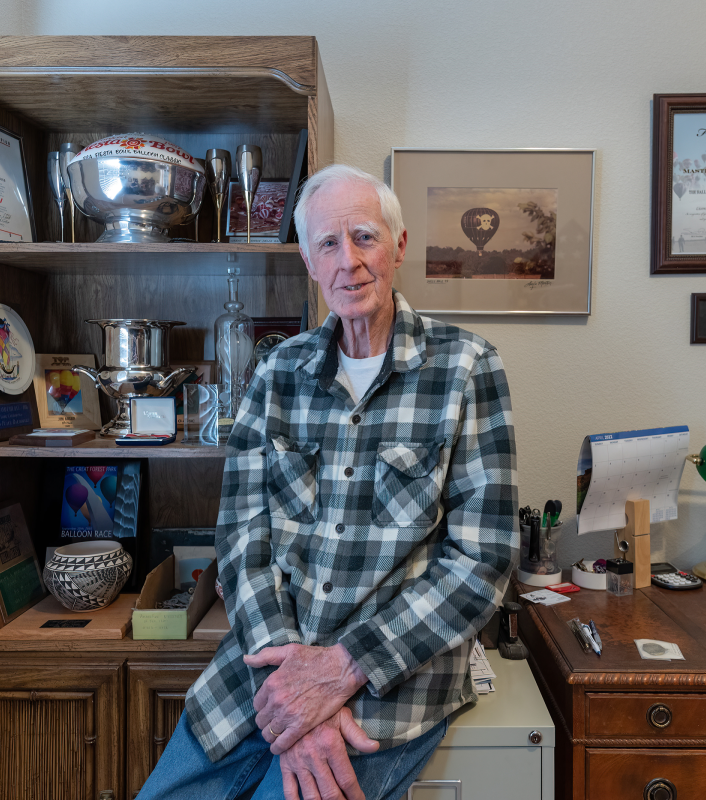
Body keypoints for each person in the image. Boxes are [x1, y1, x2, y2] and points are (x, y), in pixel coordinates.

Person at [138, 165, 519, 800]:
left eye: (365, 237)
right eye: (327, 244)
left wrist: (342, 670)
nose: (349, 261)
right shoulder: (277, 372)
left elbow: (483, 562)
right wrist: (292, 678)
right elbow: (241, 540)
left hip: (389, 685)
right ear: (310, 263)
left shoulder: (467, 367)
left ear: (398, 247)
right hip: (259, 675)